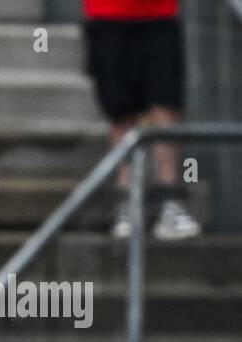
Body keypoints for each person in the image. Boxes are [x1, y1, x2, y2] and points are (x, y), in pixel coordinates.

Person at [83, 0, 200, 240]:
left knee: (166, 106)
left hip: (160, 16)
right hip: (108, 15)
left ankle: (168, 200)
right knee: (121, 113)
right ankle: (127, 204)